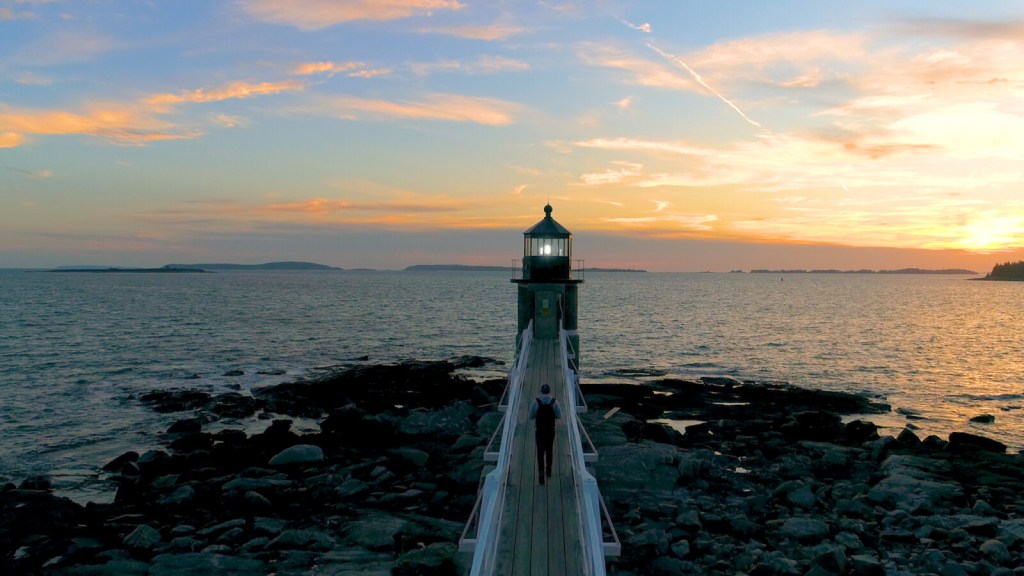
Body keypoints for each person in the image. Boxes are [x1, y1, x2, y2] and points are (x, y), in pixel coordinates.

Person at [529, 383, 562, 485]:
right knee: (549, 450)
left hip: (539, 430)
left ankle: (541, 472)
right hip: (550, 430)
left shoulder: (536, 402)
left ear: (541, 391)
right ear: (549, 391)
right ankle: (549, 470)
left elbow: (531, 416)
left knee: (540, 451)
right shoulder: (554, 402)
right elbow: (559, 415)